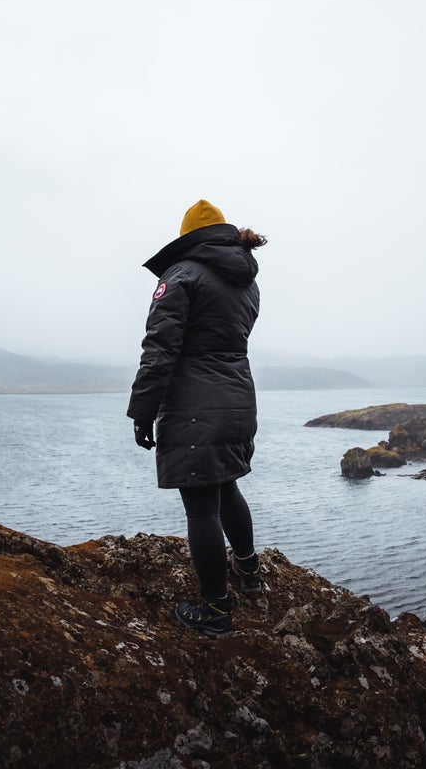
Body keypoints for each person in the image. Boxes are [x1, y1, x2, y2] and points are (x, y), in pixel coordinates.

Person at [127, 199, 267, 636]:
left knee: (201, 506)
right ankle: (248, 573)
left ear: (188, 238)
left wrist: (142, 410)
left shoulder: (181, 276)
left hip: (193, 404)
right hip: (237, 396)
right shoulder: (247, 282)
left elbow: (160, 349)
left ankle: (215, 610)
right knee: (226, 485)